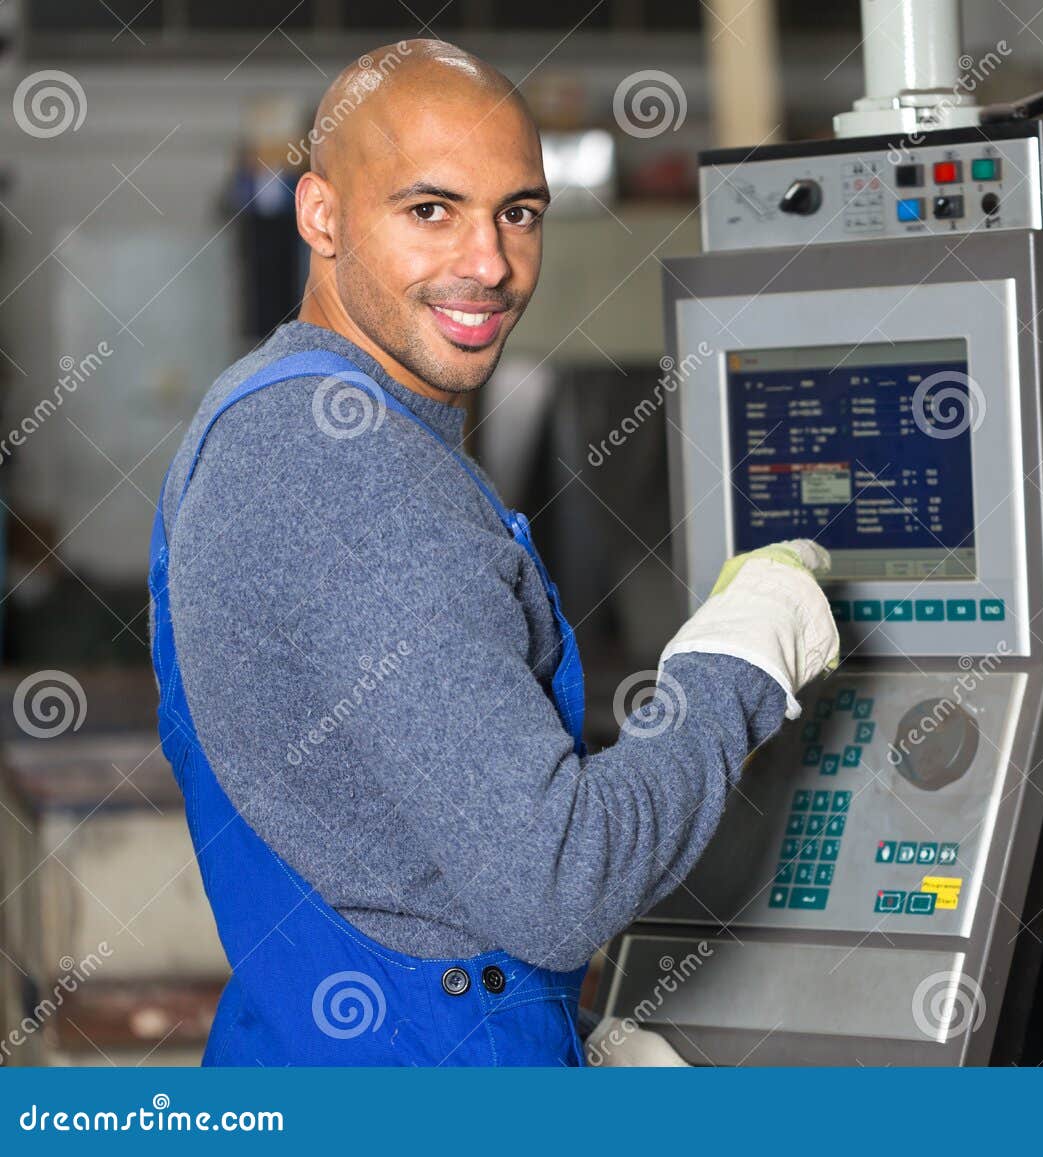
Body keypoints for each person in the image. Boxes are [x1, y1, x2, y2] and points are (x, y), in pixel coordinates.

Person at [147, 39, 836, 1067]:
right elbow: (561, 885)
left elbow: (392, 857)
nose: (489, 264)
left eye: (518, 212)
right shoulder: (350, 470)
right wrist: (736, 662)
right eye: (430, 210)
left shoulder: (261, 414)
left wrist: (544, 1035)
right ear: (321, 215)